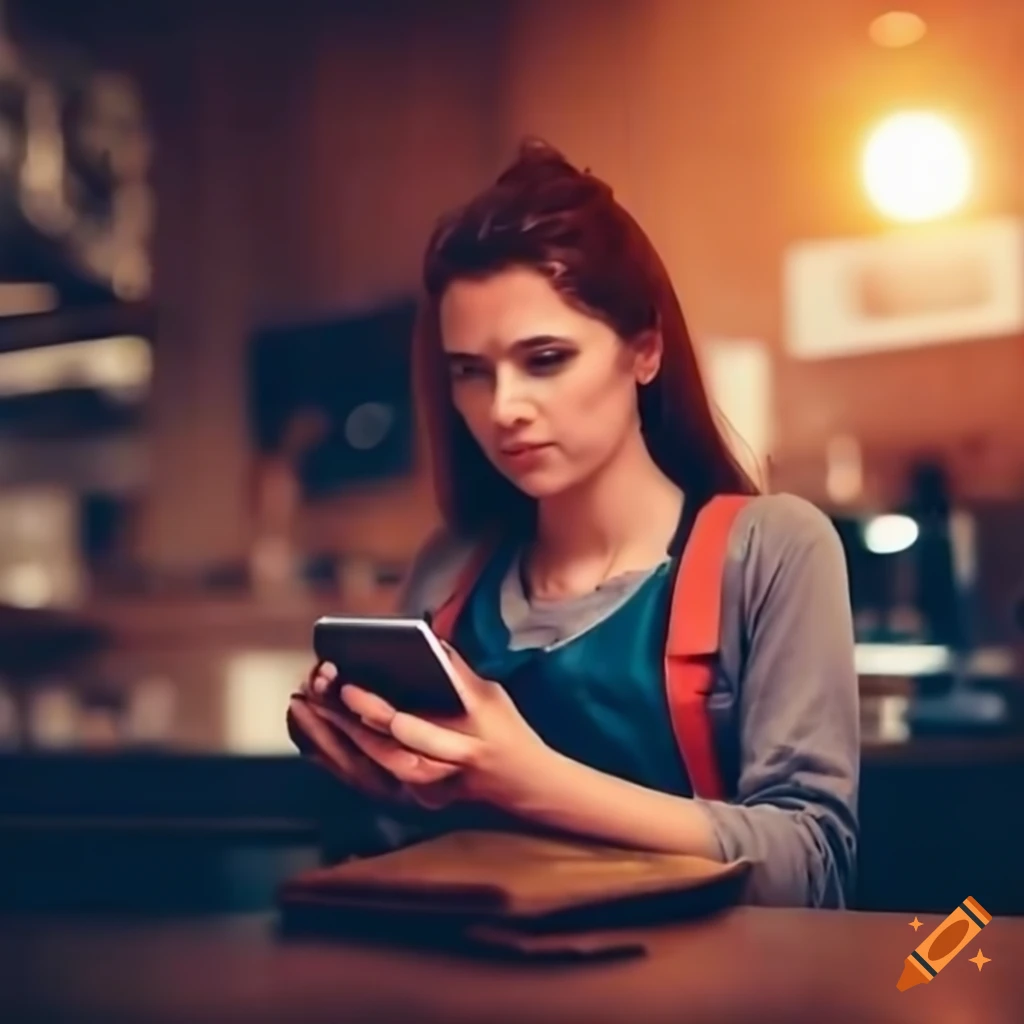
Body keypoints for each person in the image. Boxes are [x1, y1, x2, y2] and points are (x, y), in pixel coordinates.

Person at [292, 140, 859, 908]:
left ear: (646, 350)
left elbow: (812, 869)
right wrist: (381, 784)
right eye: (470, 371)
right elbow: (411, 858)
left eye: (546, 358)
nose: (502, 409)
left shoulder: (770, 549)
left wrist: (531, 781)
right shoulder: (452, 568)